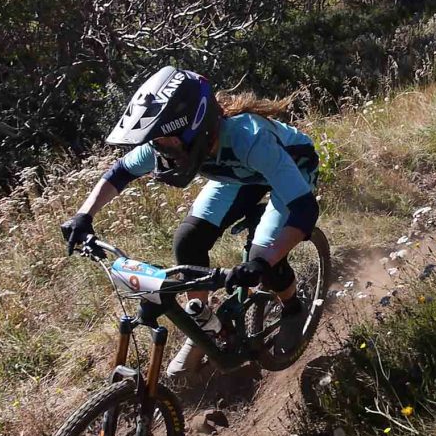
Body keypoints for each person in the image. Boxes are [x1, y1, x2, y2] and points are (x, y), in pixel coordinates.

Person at [62, 66, 319, 379]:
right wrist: (83, 215)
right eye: (157, 142)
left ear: (198, 127)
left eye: (168, 141)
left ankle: (293, 308)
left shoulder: (249, 138)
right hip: (236, 175)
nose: (163, 150)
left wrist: (263, 263)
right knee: (189, 241)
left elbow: (304, 209)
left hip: (289, 168)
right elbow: (120, 172)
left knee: (263, 256)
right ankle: (203, 324)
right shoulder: (170, 141)